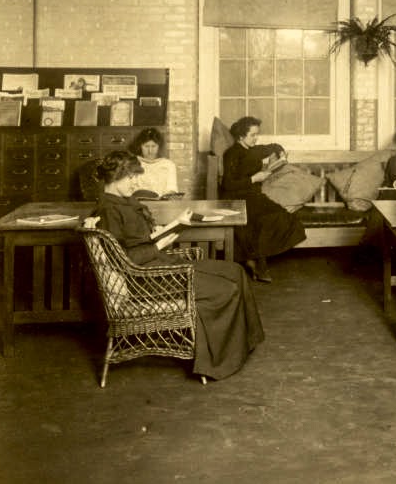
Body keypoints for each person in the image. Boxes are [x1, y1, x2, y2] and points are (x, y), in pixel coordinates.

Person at [88, 151, 264, 381]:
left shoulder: (123, 202)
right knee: (224, 290)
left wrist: (168, 230)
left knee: (236, 271)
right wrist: (161, 242)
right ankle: (219, 361)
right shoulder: (108, 210)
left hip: (159, 265)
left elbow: (137, 241)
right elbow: (124, 260)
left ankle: (245, 341)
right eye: (132, 177)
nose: (137, 182)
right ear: (115, 177)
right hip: (146, 279)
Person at [220, 116, 304, 283]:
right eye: (252, 135)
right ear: (241, 136)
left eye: (257, 134)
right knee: (262, 219)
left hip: (254, 195)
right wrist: (254, 179)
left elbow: (273, 146)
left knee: (284, 216)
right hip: (237, 197)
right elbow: (227, 184)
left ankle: (254, 260)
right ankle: (259, 263)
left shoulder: (254, 150)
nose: (255, 138)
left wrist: (279, 152)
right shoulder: (231, 153)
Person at [129, 127, 179, 198]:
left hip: (161, 205)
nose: (150, 151)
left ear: (159, 147)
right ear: (140, 146)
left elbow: (172, 188)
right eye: (146, 146)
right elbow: (129, 189)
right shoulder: (133, 163)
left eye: (153, 146)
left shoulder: (168, 165)